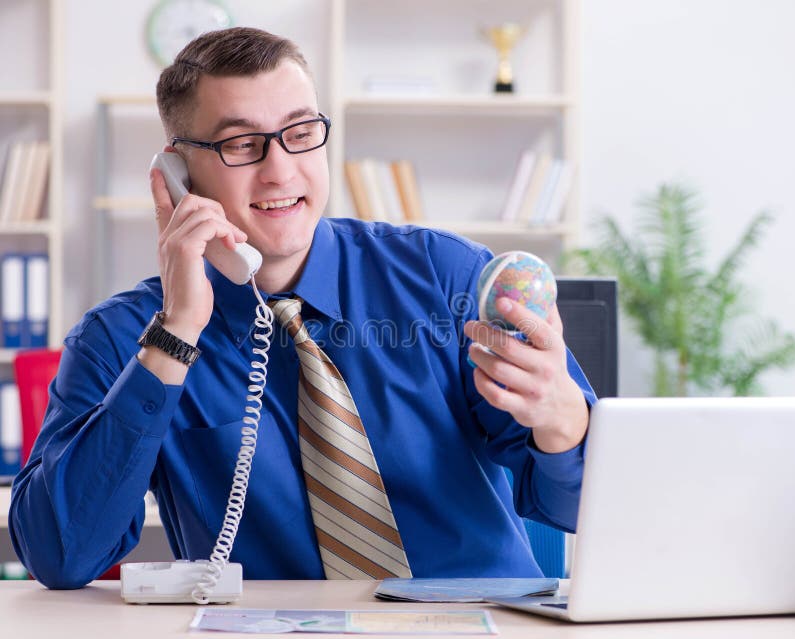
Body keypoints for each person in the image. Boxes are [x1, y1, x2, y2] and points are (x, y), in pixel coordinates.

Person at [9, 27, 594, 588]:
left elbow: (579, 508)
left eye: (300, 131)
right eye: (242, 144)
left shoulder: (449, 278)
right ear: (178, 172)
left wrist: (564, 423)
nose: (281, 169)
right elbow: (61, 557)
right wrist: (177, 332)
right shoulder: (120, 338)